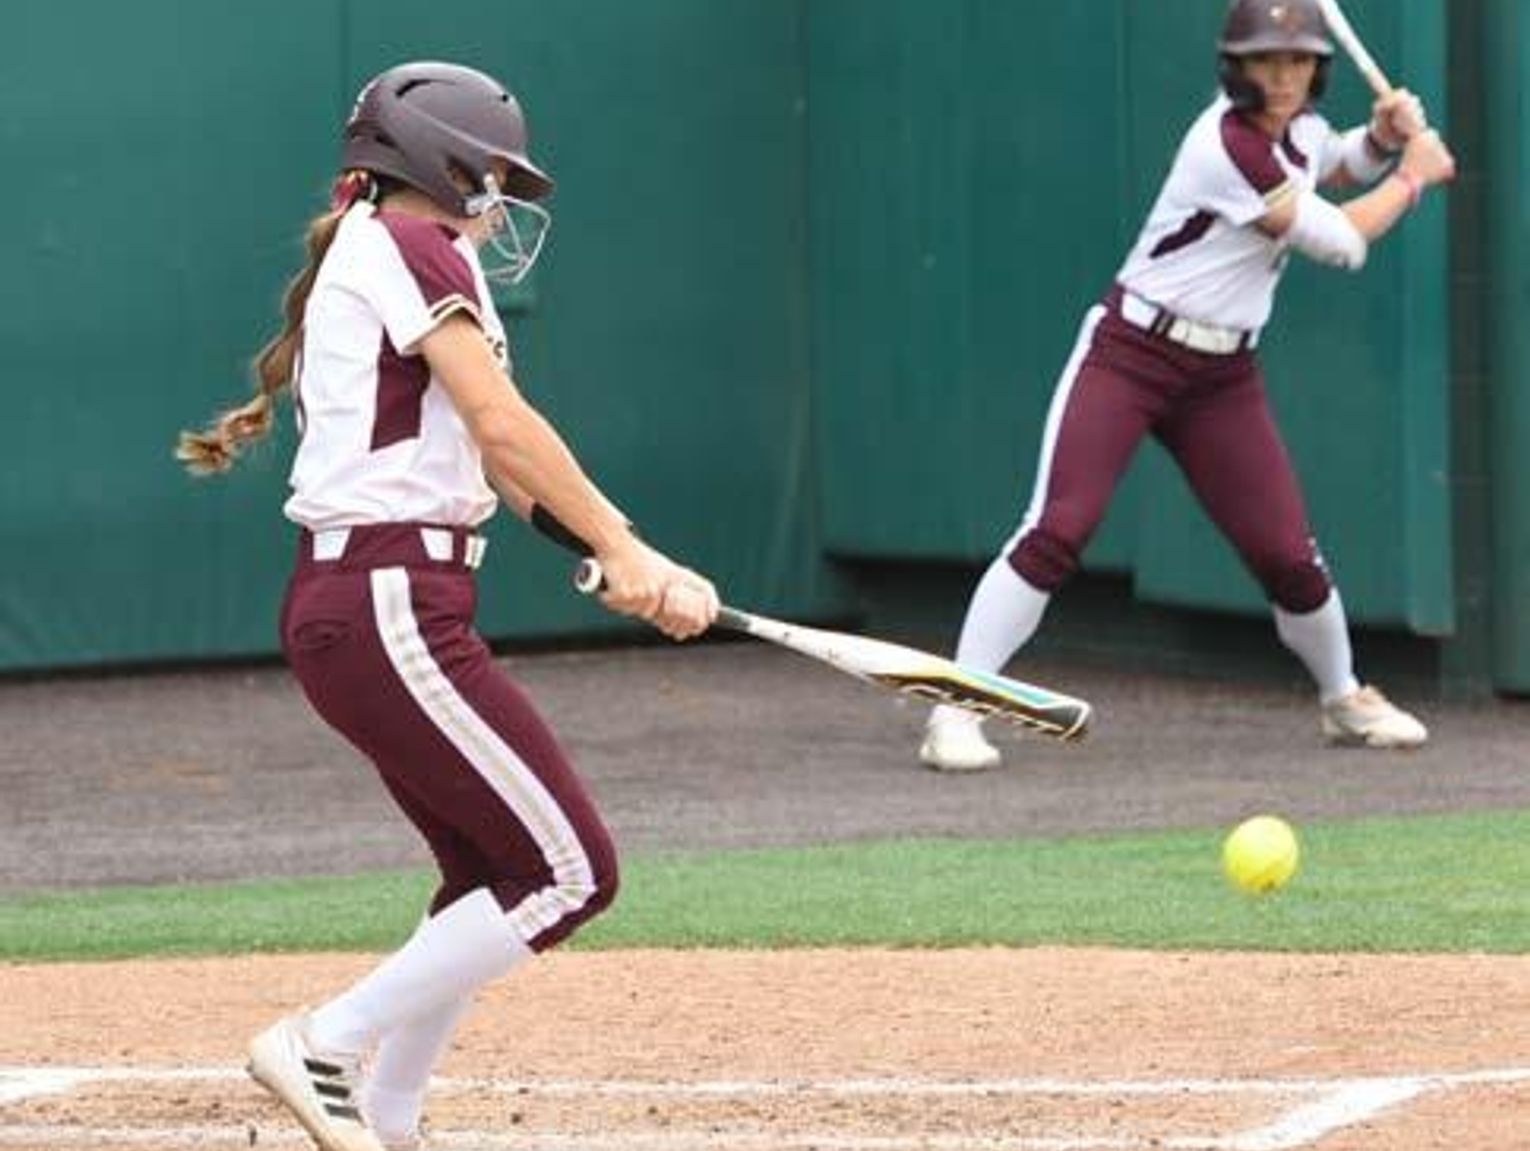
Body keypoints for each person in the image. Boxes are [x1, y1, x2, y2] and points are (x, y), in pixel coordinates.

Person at [178, 61, 719, 1151]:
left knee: (490, 868)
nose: (500, 198)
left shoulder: (396, 250)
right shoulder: (414, 244)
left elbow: (508, 473)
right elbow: (504, 421)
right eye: (492, 173)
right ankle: (325, 1040)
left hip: (380, 594)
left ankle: (392, 1114)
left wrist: (626, 560)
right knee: (572, 871)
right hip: (385, 595)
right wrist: (625, 543)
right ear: (433, 157)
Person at [919, 0, 1456, 772]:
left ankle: (1344, 698)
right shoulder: (1228, 145)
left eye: (1297, 61)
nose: (1281, 77)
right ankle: (957, 708)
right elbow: (1337, 241)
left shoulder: (1296, 130)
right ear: (1234, 66)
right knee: (1058, 528)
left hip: (1221, 378)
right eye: (1265, 61)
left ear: (1316, 69)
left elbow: (1332, 162)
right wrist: (1411, 177)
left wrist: (1378, 139)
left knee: (1289, 555)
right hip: (1131, 353)